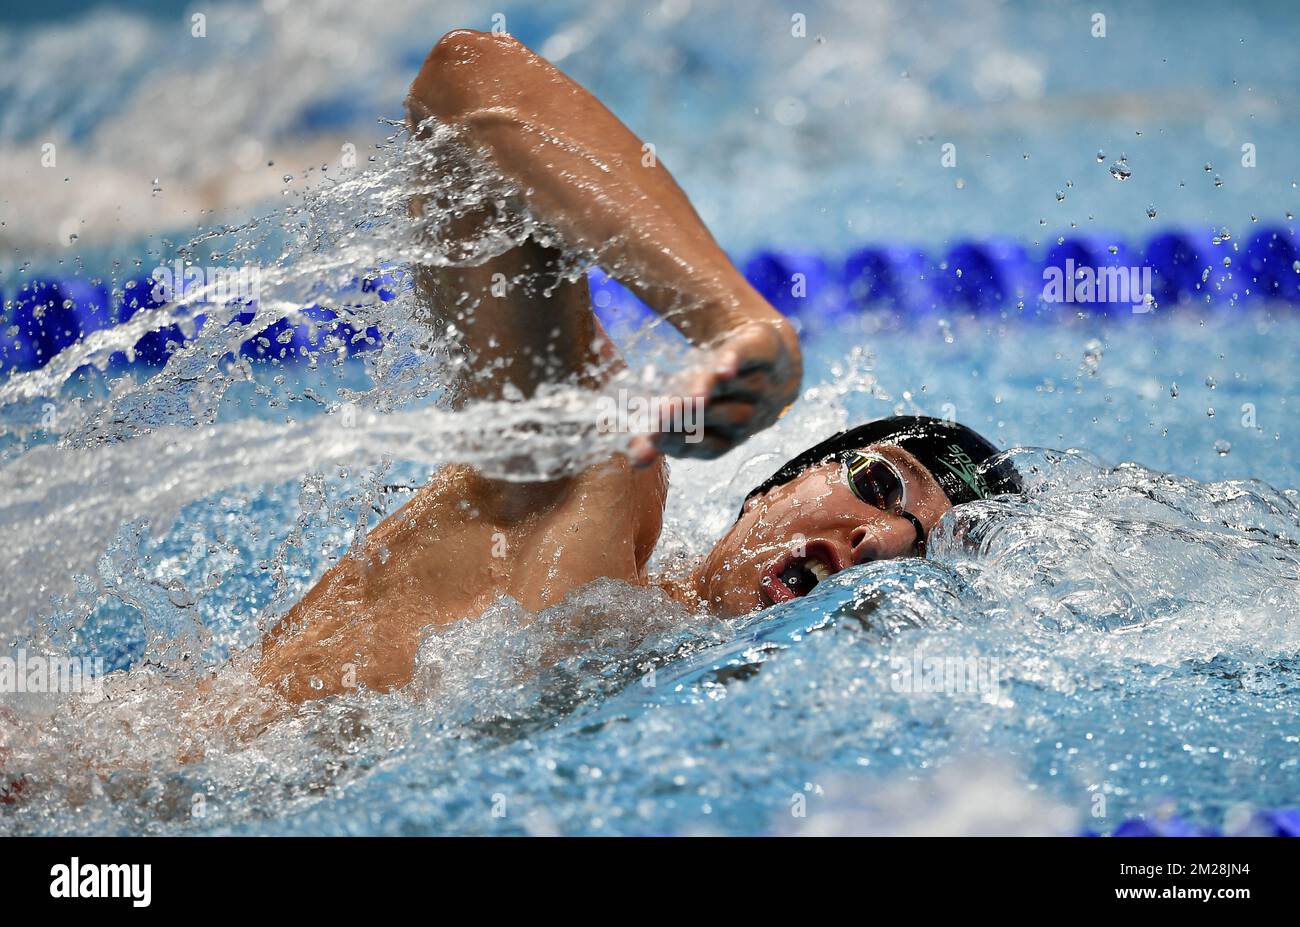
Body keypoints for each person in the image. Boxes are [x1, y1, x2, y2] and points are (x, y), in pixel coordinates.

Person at [254, 30, 1019, 703]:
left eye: (919, 558)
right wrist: (737, 321)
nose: (880, 544)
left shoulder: (684, 704)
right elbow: (466, 82)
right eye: (878, 485)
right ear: (773, 487)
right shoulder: (601, 476)